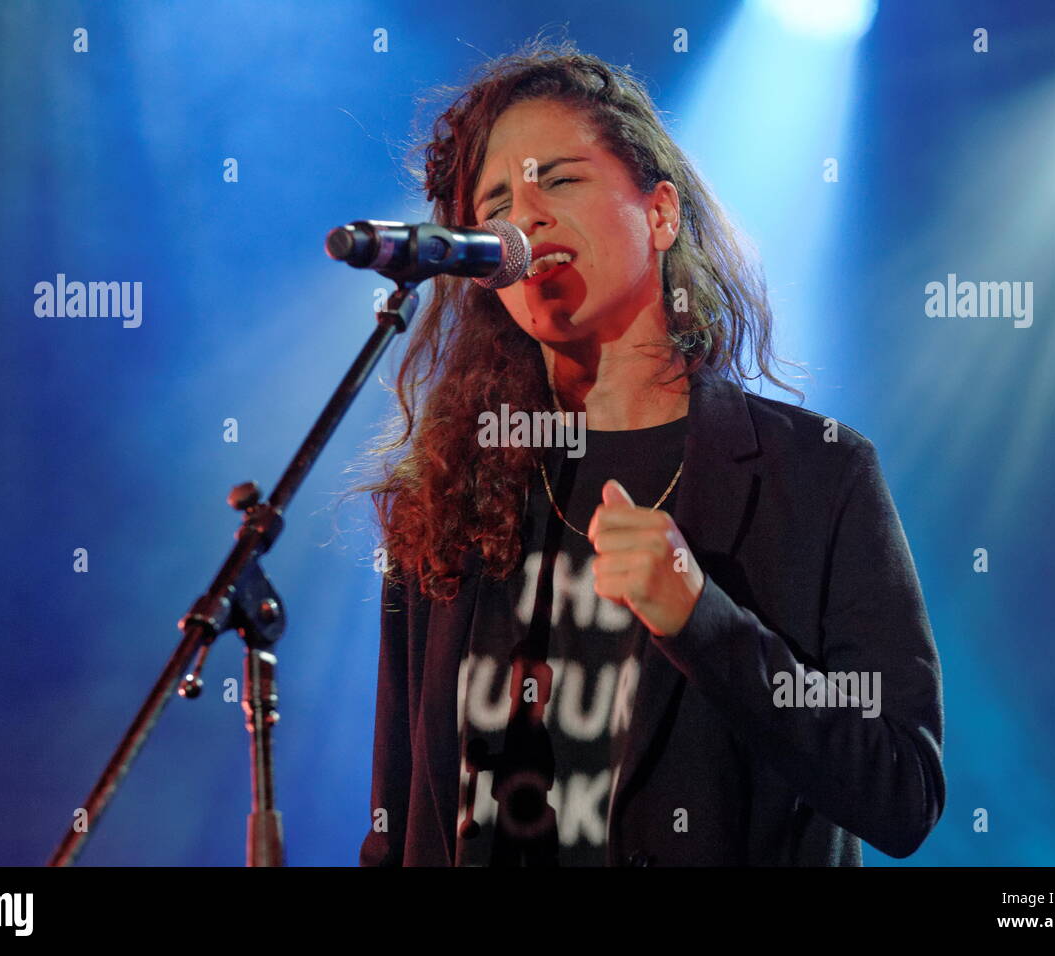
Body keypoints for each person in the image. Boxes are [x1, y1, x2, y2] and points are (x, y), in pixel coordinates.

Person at [357, 39, 945, 866]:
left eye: (558, 178)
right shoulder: (452, 491)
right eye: (494, 206)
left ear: (660, 214)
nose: (523, 217)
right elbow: (396, 816)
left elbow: (902, 792)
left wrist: (702, 621)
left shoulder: (815, 474)